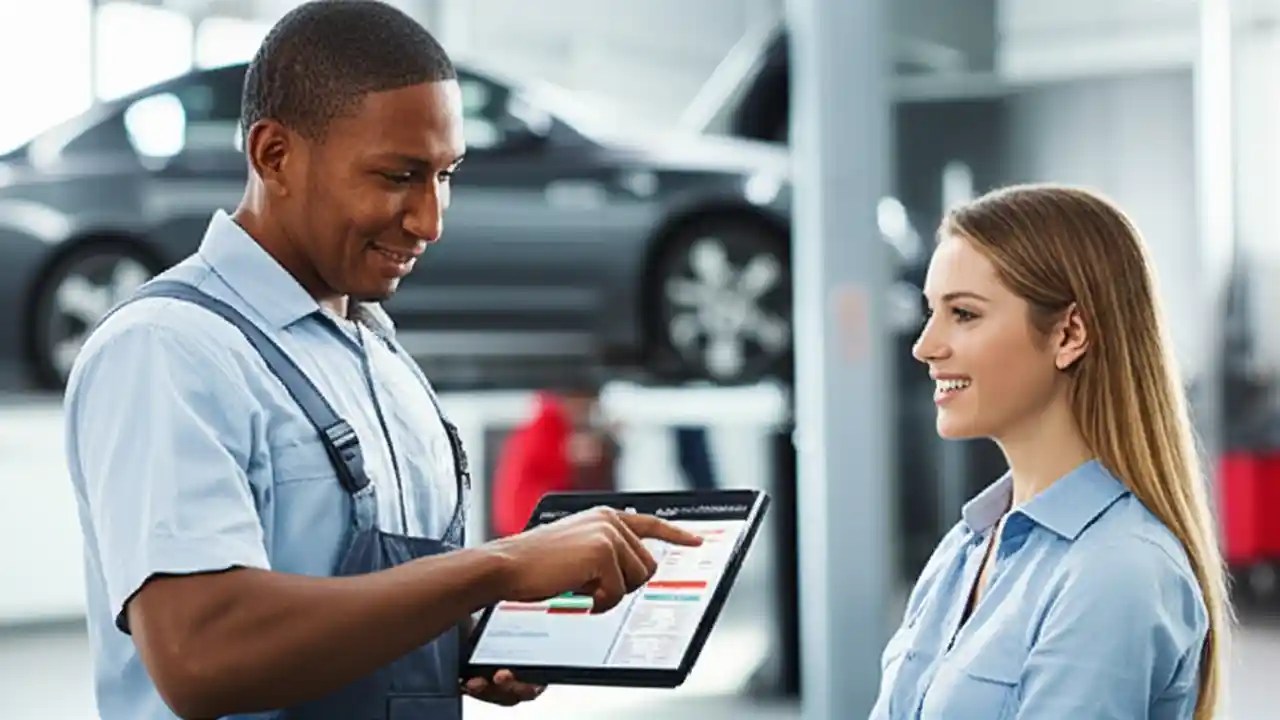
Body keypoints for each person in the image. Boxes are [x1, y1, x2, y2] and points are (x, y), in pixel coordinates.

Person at [61, 3, 701, 719]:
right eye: (398, 176)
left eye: (445, 174)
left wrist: (473, 632)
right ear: (275, 156)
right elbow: (200, 652)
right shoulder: (169, 351)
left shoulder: (381, 358)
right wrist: (494, 568)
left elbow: (364, 597)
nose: (430, 220)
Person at [870, 184, 1231, 719]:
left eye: (963, 314)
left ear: (1070, 333)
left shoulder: (1116, 571)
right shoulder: (966, 547)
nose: (925, 345)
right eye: (931, 311)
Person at [491, 383, 620, 537]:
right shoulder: (548, 426)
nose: (588, 413)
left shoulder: (537, 425)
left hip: (526, 527)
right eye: (588, 406)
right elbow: (583, 452)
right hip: (530, 527)